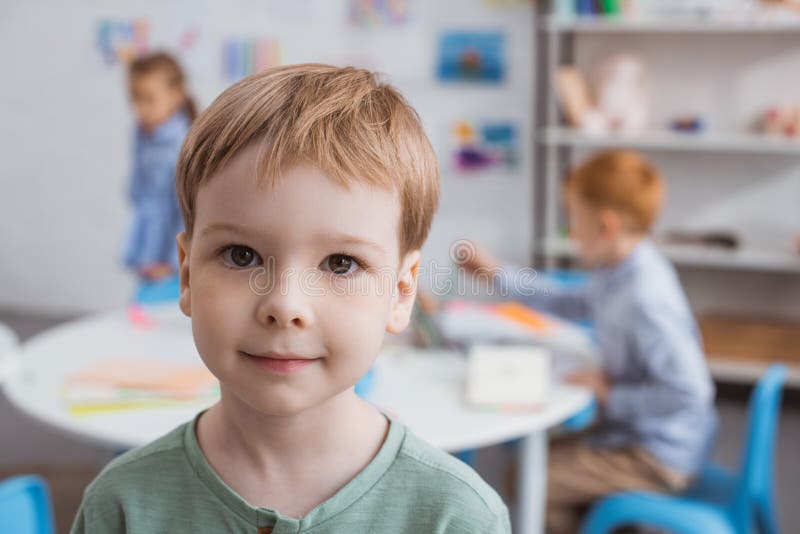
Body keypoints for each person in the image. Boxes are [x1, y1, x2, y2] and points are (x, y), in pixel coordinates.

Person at [72, 64, 510, 533]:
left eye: (340, 263)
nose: (284, 305)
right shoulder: (120, 507)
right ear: (187, 275)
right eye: (241, 255)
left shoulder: (457, 518)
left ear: (402, 292)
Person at [460, 150, 717, 534]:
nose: (571, 232)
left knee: (532, 480)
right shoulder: (619, 271)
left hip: (657, 455)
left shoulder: (644, 297)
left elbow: (692, 392)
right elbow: (567, 300)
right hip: (632, 432)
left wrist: (611, 395)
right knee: (531, 465)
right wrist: (497, 274)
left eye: (574, 218)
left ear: (605, 226)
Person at [122, 51, 195, 282]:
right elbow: (137, 188)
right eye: (135, 98)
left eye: (149, 98)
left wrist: (174, 260)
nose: (141, 108)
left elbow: (186, 209)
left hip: (172, 245)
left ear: (176, 95)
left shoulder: (181, 142)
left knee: (169, 295)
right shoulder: (143, 136)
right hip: (149, 238)